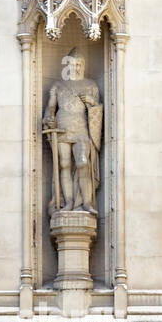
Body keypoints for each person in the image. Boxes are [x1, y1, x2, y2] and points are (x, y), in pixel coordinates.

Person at [43, 47, 103, 213]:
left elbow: (97, 112)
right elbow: (51, 109)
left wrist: (91, 101)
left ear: (82, 65)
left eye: (78, 64)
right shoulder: (59, 85)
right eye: (72, 64)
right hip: (62, 127)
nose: (75, 68)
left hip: (81, 128)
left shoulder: (90, 85)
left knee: (83, 162)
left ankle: (86, 202)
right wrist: (49, 118)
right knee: (64, 164)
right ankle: (68, 202)